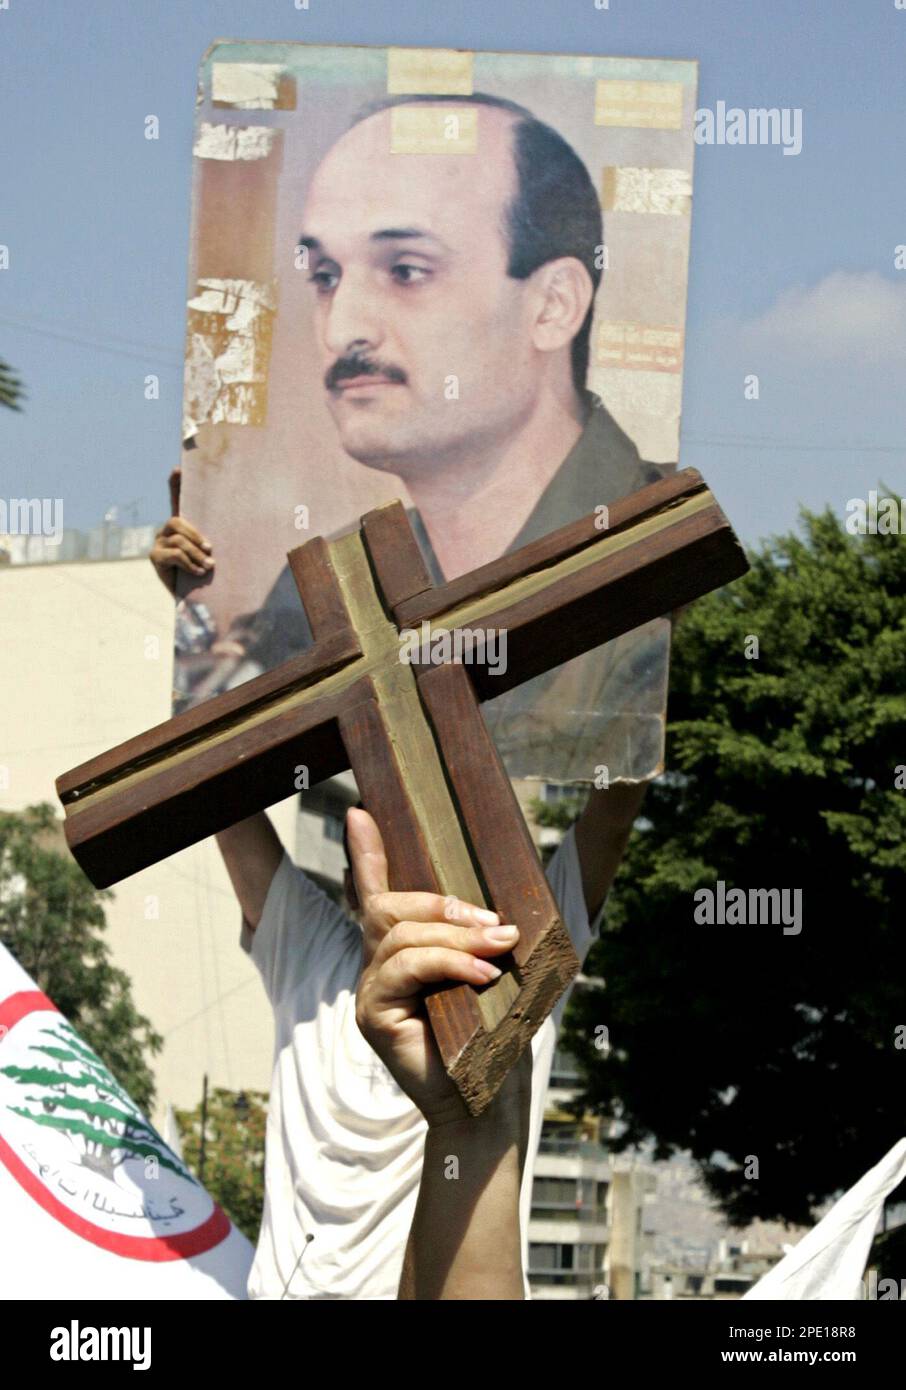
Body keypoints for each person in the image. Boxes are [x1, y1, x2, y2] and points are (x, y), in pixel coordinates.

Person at [172, 92, 670, 785]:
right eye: (324, 276)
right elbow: (227, 773)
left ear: (553, 306)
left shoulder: (666, 552)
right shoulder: (322, 595)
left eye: (406, 271)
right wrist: (191, 607)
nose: (342, 326)